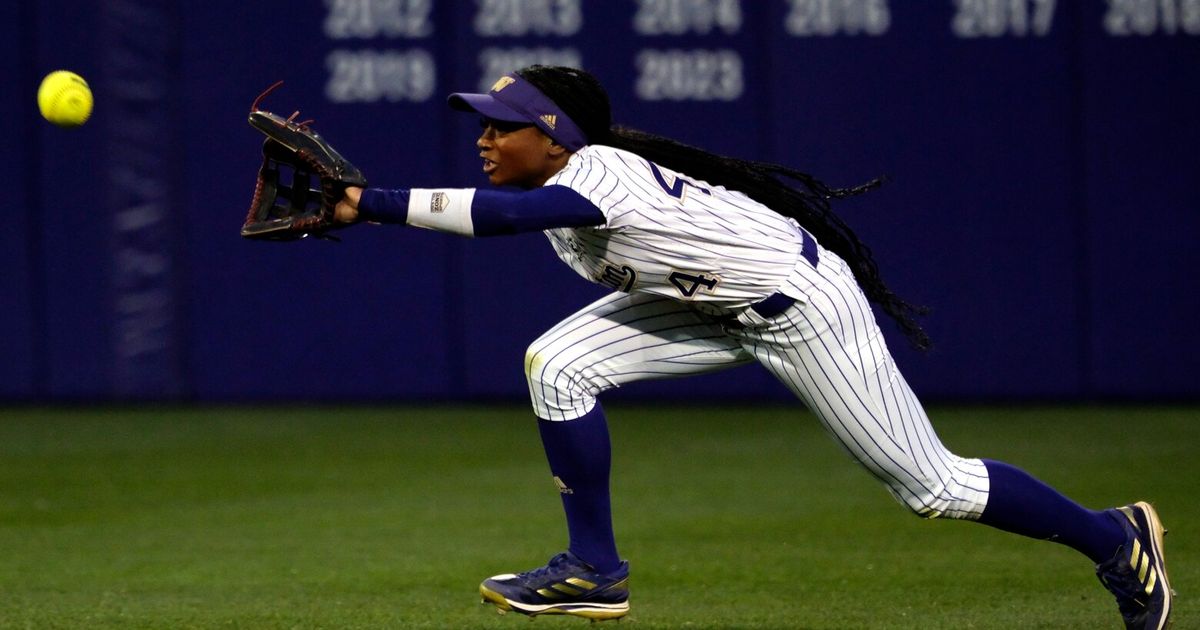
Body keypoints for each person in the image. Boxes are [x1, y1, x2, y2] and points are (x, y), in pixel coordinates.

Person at [332, 65, 1172, 628]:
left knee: (934, 489)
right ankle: (593, 569)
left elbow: (499, 221)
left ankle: (1114, 538)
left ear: (553, 137)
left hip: (801, 309)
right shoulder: (564, 181)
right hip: (711, 305)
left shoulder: (597, 175)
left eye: (500, 127)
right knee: (559, 366)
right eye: (482, 126)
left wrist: (367, 202)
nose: (483, 140)